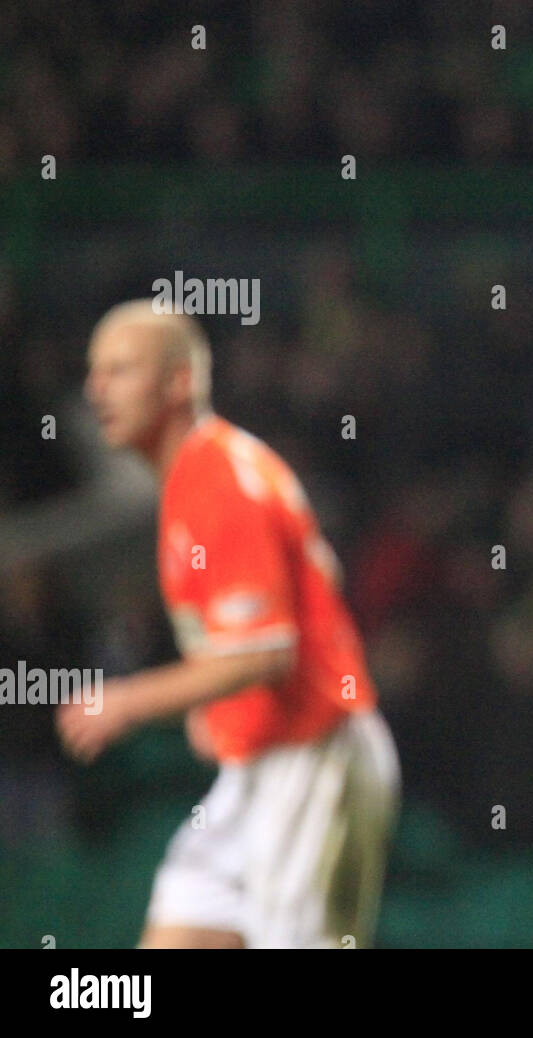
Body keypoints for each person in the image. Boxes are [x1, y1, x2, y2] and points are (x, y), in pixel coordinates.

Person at [57, 300, 400, 948]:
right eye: (94, 372)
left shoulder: (221, 482)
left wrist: (130, 700)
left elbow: (265, 653)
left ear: (179, 382)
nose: (96, 390)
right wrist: (217, 705)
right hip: (257, 764)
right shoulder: (198, 478)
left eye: (120, 370)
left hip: (313, 759)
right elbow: (283, 614)